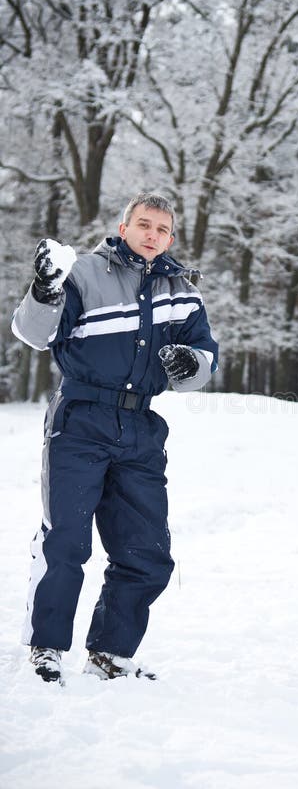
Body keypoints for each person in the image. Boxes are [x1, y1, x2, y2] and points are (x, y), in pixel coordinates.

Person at [11, 192, 218, 685]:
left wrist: (193, 366)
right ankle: (46, 649)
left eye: (162, 229)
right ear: (123, 227)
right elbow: (33, 334)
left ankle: (110, 653)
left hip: (141, 430)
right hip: (81, 420)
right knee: (66, 541)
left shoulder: (181, 289)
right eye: (143, 224)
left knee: (147, 553)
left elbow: (205, 356)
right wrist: (43, 289)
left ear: (171, 237)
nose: (152, 235)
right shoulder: (82, 272)